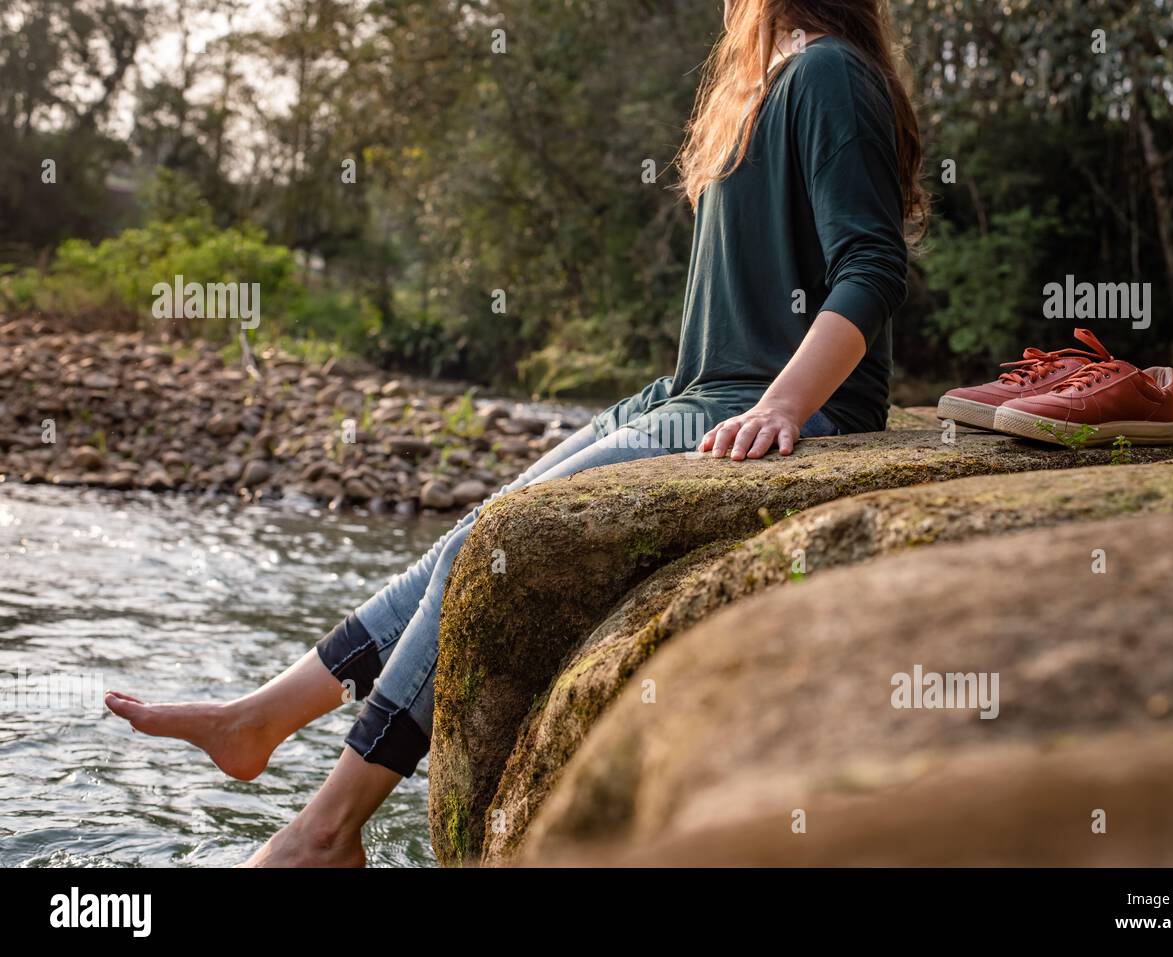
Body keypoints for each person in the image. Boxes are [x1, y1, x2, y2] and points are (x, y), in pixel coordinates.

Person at [104, 0, 926, 866]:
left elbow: (871, 266)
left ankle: (325, 830)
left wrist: (786, 405)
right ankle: (259, 718)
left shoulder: (828, 73)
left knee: (491, 542)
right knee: (476, 530)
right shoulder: (765, 78)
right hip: (694, 392)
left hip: (761, 403)